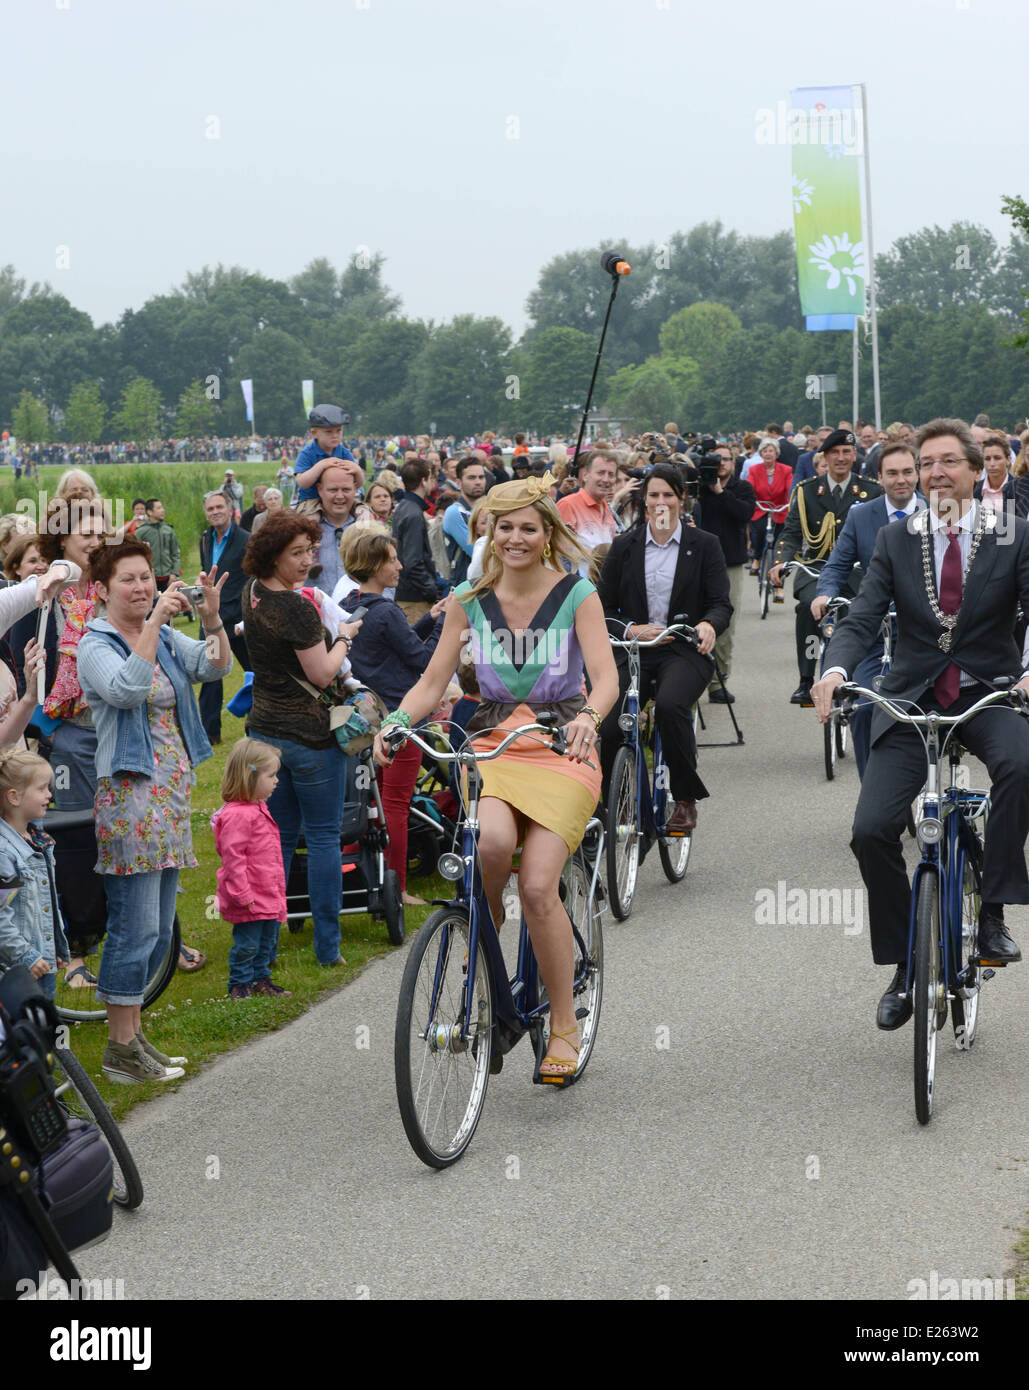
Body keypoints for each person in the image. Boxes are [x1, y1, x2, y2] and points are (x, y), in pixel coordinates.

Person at [373, 471, 618, 1083]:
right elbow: (433, 682)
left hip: (564, 746)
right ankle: (484, 935)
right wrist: (398, 720)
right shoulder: (466, 599)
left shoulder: (577, 594)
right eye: (503, 526)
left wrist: (591, 716)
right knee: (491, 845)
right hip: (494, 744)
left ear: (547, 534)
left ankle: (563, 1022)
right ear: (487, 530)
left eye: (527, 528)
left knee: (538, 886)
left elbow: (607, 678)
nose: (515, 538)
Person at [813, 418, 1029, 1030]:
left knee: (1020, 765)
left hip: (990, 693)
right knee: (871, 829)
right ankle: (906, 964)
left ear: (976, 469)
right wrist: (833, 669)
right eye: (925, 463)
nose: (935, 473)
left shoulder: (1014, 533)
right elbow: (862, 615)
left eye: (947, 462)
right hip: (911, 698)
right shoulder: (895, 537)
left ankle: (992, 911)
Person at [77, 539, 231, 1083]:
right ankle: (119, 1053)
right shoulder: (94, 644)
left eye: (147, 578)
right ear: (100, 590)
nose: (143, 588)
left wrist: (212, 622)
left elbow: (212, 669)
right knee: (134, 928)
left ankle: (135, 1041)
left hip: (169, 797)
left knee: (161, 930)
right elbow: (125, 691)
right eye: (129, 580)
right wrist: (154, 625)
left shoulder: (162, 634)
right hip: (129, 799)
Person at [242, 512, 363, 969]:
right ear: (272, 555)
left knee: (278, 840)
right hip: (310, 738)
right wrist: (346, 637)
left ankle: (266, 948)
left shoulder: (251, 593)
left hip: (265, 731)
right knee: (324, 837)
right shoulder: (295, 607)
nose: (308, 560)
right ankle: (327, 948)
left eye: (311, 550)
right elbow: (322, 671)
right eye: (297, 553)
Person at [597, 464, 731, 835]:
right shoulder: (624, 546)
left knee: (672, 707)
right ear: (644, 500)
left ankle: (685, 798)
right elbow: (602, 608)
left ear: (681, 498)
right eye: (653, 495)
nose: (660, 502)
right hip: (633, 649)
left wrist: (708, 624)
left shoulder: (704, 544)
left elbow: (721, 603)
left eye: (668, 495)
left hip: (683, 648)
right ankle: (618, 798)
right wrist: (631, 629)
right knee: (609, 725)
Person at [342, 530, 449, 905]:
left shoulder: (349, 603)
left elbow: (389, 644)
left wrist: (427, 619)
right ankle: (398, 887)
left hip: (358, 717)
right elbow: (422, 661)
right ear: (374, 565)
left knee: (363, 803)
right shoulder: (386, 610)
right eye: (392, 559)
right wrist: (444, 625)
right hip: (398, 717)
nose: (400, 565)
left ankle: (359, 876)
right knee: (396, 803)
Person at [810, 442, 925, 777]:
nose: (901, 480)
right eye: (892, 473)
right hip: (875, 632)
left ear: (917, 474)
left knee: (929, 712)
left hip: (925, 635)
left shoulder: (938, 511)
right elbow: (836, 565)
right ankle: (872, 793)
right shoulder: (862, 515)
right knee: (862, 707)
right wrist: (825, 594)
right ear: (879, 477)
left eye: (907, 472)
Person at [768, 429, 883, 705]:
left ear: (854, 455)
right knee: (807, 609)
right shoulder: (807, 491)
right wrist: (781, 560)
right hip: (817, 567)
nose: (841, 458)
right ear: (825, 457)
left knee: (861, 613)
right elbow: (792, 532)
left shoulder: (872, 491)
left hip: (857, 570)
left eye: (846, 452)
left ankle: (860, 674)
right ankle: (806, 678)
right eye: (835, 453)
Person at [212, 738, 290, 1001]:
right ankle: (239, 984)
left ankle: (261, 978)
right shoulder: (237, 815)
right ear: (249, 776)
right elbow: (233, 859)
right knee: (247, 944)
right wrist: (241, 893)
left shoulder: (258, 808)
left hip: (266, 891)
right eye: (271, 775)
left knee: (266, 942)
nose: (276, 781)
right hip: (249, 895)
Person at [0, 750, 69, 1000]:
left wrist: (55, 947)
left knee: (41, 1029)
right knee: (23, 1033)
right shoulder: (4, 853)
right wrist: (26, 955)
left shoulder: (37, 841)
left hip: (40, 961)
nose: (50, 795)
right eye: (41, 789)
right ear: (14, 797)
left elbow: (46, 903)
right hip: (16, 970)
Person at [692, 442, 755, 704]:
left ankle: (719, 683)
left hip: (730, 562)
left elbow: (745, 513)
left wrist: (719, 491)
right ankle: (693, 681)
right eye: (716, 460)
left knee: (724, 624)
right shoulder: (697, 488)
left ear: (734, 462)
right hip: (696, 562)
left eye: (727, 459)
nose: (722, 464)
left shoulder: (741, 488)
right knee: (694, 621)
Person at [198, 492, 251, 745]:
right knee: (210, 674)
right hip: (212, 617)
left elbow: (252, 579)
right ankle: (209, 733)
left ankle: (259, 724)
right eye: (211, 508)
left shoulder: (245, 540)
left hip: (238, 619)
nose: (215, 512)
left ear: (230, 510)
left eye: (220, 507)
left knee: (255, 672)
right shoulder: (205, 539)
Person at [392, 460, 438, 623]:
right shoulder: (413, 513)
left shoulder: (404, 507)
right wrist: (431, 589)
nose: (434, 482)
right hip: (414, 598)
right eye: (431, 477)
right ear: (423, 481)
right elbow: (412, 561)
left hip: (408, 591)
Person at [292, 404, 359, 515]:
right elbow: (302, 483)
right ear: (314, 433)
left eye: (339, 430)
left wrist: (357, 470)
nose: (335, 435)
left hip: (340, 498)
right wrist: (321, 466)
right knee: (312, 521)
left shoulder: (344, 453)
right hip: (311, 500)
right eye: (329, 432)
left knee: (363, 516)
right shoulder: (307, 454)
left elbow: (356, 481)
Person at [556, 448, 622, 550]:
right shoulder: (568, 505)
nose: (606, 479)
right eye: (600, 473)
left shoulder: (606, 508)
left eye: (611, 474)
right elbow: (561, 552)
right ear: (585, 476)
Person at [442, 457, 488, 586]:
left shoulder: (487, 509)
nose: (478, 482)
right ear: (458, 482)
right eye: (471, 478)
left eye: (481, 477)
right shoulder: (454, 512)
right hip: (464, 585)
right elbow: (477, 551)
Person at [974, 432, 1029, 517]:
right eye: (987, 459)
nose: (992, 464)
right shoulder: (974, 489)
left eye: (997, 458)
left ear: (1008, 460)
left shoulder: (1017, 488)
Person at [134, 498, 180, 593]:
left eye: (162, 507)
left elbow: (175, 554)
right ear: (150, 512)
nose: (163, 510)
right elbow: (134, 557)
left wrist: (174, 574)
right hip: (149, 580)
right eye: (159, 508)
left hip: (168, 579)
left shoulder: (168, 530)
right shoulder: (140, 532)